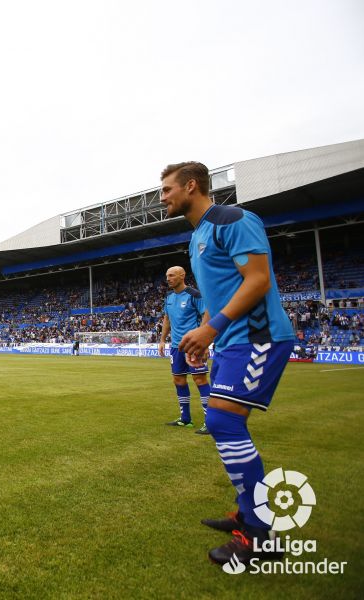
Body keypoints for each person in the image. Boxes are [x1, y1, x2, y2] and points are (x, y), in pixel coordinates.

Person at [161, 162, 294, 566]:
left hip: (259, 337)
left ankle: (259, 534)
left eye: (167, 189)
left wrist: (212, 328)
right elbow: (219, 296)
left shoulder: (233, 219)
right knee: (226, 423)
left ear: (191, 185)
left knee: (222, 422)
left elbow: (258, 280)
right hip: (232, 341)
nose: (162, 197)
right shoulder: (198, 235)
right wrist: (206, 334)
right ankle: (247, 512)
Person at [158, 266, 212, 434]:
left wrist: (203, 340)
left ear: (182, 276)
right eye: (167, 275)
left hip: (193, 346)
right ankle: (185, 419)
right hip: (176, 347)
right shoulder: (168, 297)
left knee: (200, 381)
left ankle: (211, 422)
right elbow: (167, 318)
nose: (168, 278)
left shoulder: (194, 295)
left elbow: (207, 314)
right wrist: (161, 340)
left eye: (172, 275)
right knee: (179, 381)